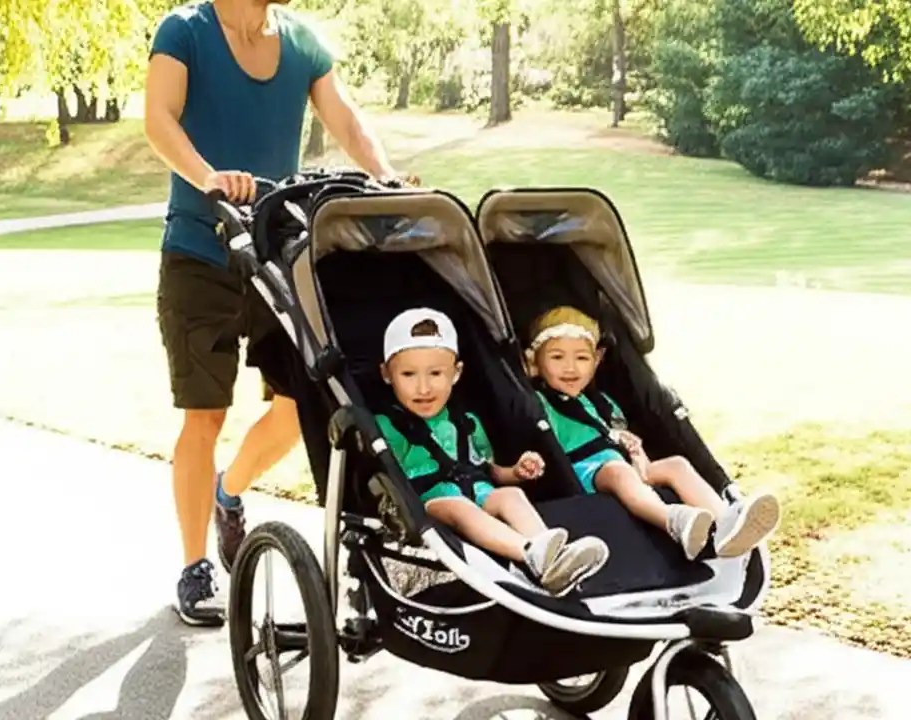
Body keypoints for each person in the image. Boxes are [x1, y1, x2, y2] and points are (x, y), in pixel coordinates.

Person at [144, 0, 410, 626]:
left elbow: (344, 116)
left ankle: (228, 492)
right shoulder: (186, 31)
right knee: (204, 415)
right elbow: (159, 120)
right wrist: (209, 177)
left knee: (302, 403)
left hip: (276, 253)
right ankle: (193, 570)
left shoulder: (301, 40)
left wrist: (388, 178)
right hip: (197, 254)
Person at [374, 308, 611, 597]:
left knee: (509, 495)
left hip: (476, 489)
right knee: (461, 508)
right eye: (408, 374)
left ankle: (554, 555)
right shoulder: (387, 426)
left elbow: (487, 469)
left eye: (436, 373)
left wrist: (515, 472)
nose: (423, 387)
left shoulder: (467, 421)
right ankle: (531, 554)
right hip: (429, 502)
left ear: (456, 373)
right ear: (387, 375)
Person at [526, 306, 782, 561]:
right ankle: (673, 520)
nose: (570, 368)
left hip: (622, 462)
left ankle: (726, 523)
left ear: (597, 360)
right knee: (619, 472)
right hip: (584, 469)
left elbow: (619, 436)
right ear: (534, 363)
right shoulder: (540, 403)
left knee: (677, 465)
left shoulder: (602, 403)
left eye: (581, 358)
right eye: (557, 358)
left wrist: (637, 454)